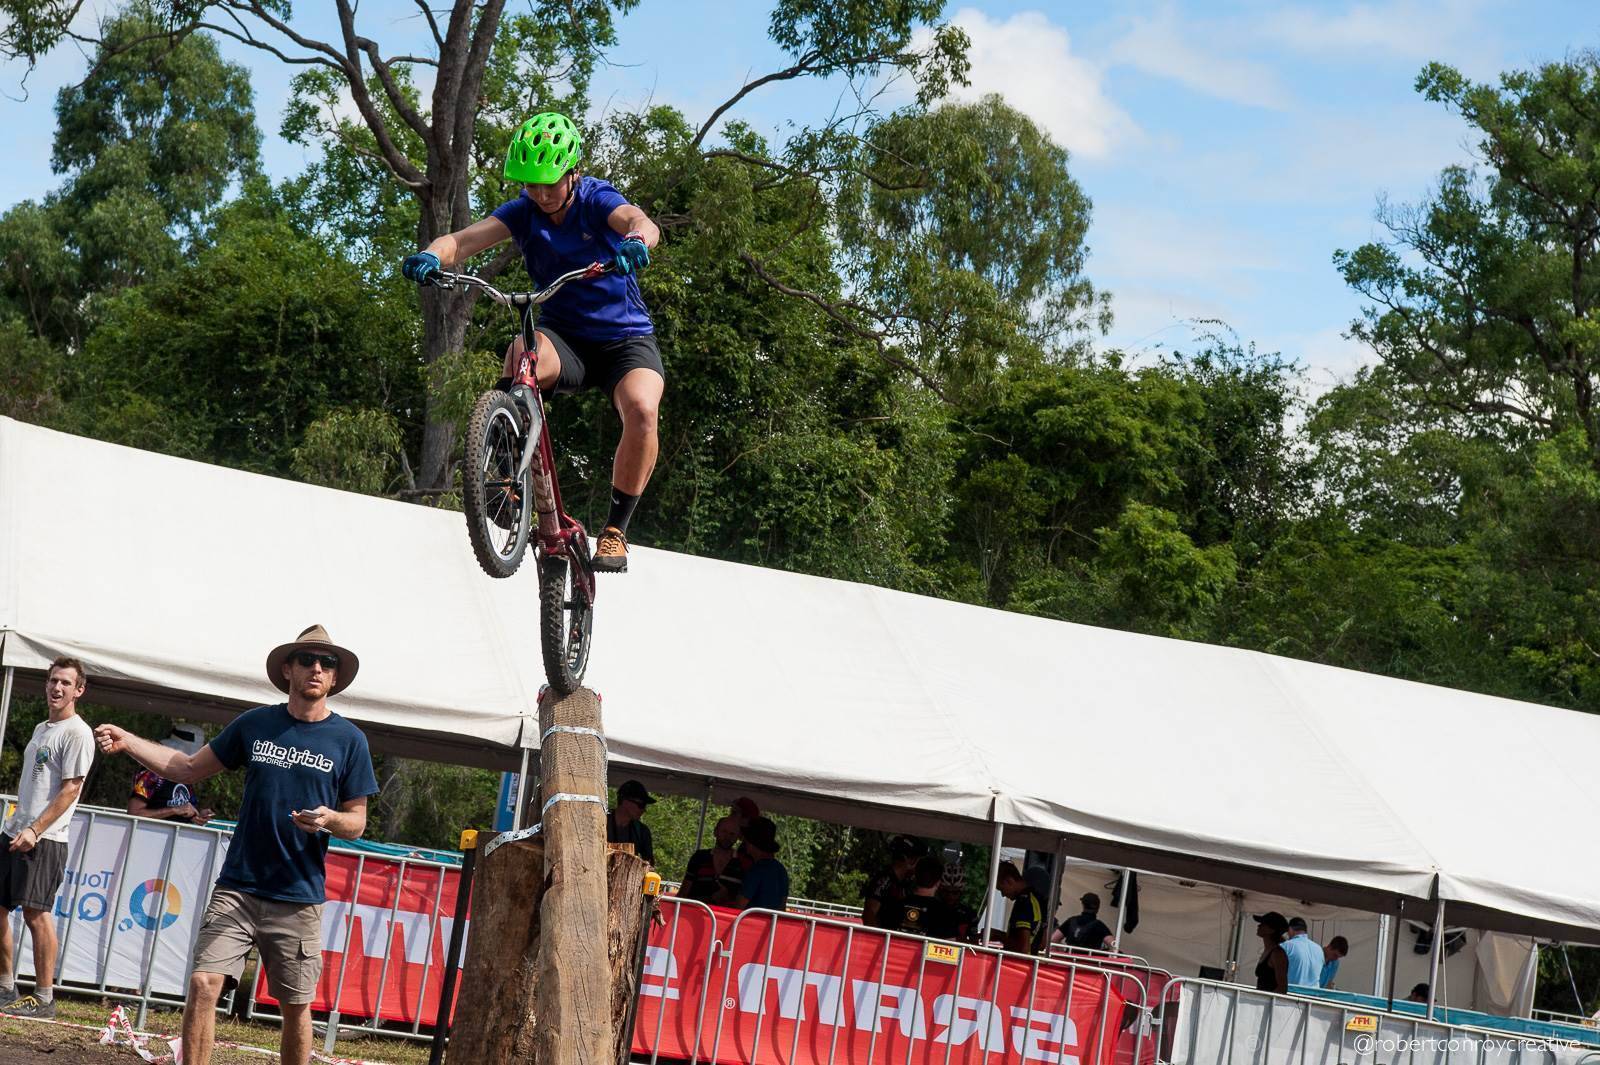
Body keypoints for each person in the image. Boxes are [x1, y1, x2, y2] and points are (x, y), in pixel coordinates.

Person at [93, 625, 379, 1065]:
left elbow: (357, 823)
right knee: (204, 984)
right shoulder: (256, 724)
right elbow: (186, 768)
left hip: (298, 896)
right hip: (238, 888)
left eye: (328, 662)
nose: (317, 668)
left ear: (336, 678)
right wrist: (129, 739)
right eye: (306, 659)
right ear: (288, 669)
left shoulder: (350, 741)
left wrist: (329, 819)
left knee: (295, 1007)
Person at [402, 112, 662, 573]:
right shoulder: (523, 212)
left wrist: (638, 239)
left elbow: (636, 218)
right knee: (522, 351)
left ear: (573, 173)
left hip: (624, 340)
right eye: (530, 185)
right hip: (565, 338)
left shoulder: (596, 198)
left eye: (549, 184)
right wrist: (429, 254)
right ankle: (506, 473)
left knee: (642, 410)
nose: (540, 195)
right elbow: (461, 242)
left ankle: (616, 530)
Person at [0, 657, 96, 1018]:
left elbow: (71, 789)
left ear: (79, 690)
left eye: (66, 683)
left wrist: (35, 830)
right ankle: (6, 988)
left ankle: (44, 998)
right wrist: (20, 825)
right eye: (53, 681)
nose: (57, 688)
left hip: (46, 837)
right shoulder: (42, 727)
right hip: (14, 828)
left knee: (36, 915)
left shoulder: (77, 732)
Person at [127, 724, 214, 825]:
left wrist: (198, 816)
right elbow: (134, 813)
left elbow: (186, 810)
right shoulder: (152, 774)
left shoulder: (186, 776)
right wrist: (173, 810)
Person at [862, 835, 923, 930]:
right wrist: (878, 938)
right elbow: (869, 913)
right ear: (910, 859)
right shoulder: (884, 880)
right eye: (918, 860)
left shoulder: (904, 883)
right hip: (883, 940)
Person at [731, 817, 787, 911]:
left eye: (746, 840)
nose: (744, 842)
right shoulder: (781, 869)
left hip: (751, 923)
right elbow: (782, 907)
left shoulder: (756, 870)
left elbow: (738, 907)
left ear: (753, 843)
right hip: (771, 924)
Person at [680, 815, 739, 903]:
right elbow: (683, 894)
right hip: (693, 913)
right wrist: (710, 899)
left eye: (732, 834)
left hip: (725, 916)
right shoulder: (699, 857)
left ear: (737, 838)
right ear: (715, 832)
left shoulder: (742, 864)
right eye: (724, 831)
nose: (727, 837)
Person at [996, 861, 1048, 955]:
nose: (1003, 895)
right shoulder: (1040, 900)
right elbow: (1042, 944)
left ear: (1009, 881)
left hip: (1017, 964)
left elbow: (1022, 948)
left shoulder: (1023, 903)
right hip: (1031, 964)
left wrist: (997, 936)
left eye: (1001, 889)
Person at [607, 779, 656, 865]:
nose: (644, 810)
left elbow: (649, 864)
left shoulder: (642, 831)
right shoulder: (603, 821)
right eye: (641, 805)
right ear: (626, 802)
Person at [897, 856, 946, 937]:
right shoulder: (945, 913)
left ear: (915, 876)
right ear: (938, 882)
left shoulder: (895, 905)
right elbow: (951, 945)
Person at [932, 861, 976, 942]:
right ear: (940, 889)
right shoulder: (931, 908)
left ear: (961, 892)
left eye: (955, 893)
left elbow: (972, 939)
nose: (950, 896)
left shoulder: (968, 914)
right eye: (946, 891)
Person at [1252, 912, 1290, 993]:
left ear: (1272, 930)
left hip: (1268, 1003)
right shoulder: (1268, 950)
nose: (1259, 925)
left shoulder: (1278, 954)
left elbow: (1282, 988)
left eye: (1263, 924)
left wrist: (1265, 1002)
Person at [1282, 916, 1325, 987]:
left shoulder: (1286, 946)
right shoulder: (1319, 949)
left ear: (1290, 929)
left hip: (1291, 994)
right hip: (1312, 996)